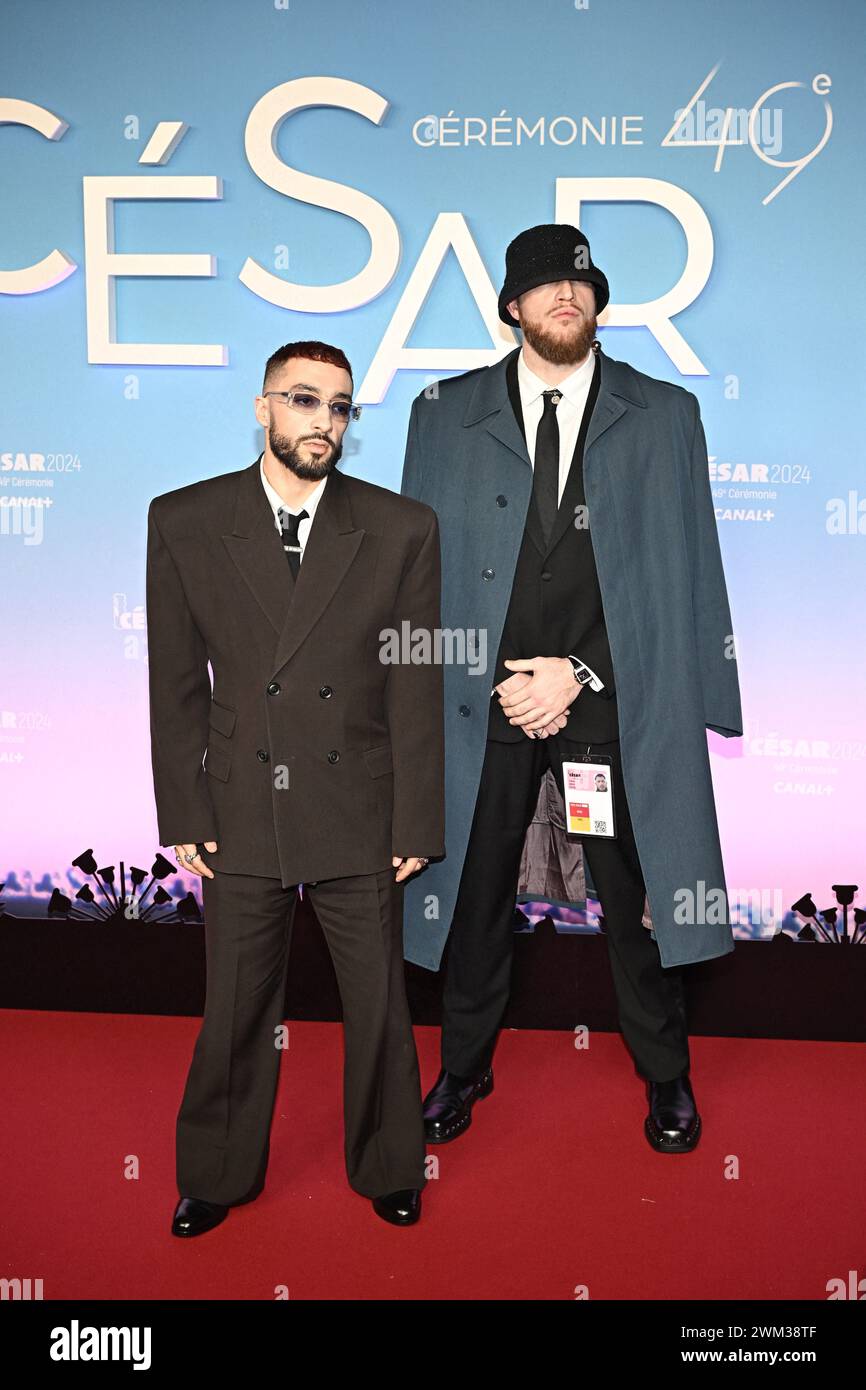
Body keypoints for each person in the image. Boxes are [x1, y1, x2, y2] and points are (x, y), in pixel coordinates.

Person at [399, 224, 743, 1154]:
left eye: (583, 284)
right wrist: (471, 684)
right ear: (512, 306)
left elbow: (684, 571)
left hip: (607, 707)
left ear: (599, 303)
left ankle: (666, 1077)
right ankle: (462, 1068)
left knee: (636, 896)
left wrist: (584, 674)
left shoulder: (663, 413)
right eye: (546, 285)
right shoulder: (442, 412)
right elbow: (419, 574)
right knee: (473, 899)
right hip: (489, 706)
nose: (567, 296)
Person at [146, 340, 444, 1234]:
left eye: (341, 407)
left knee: (378, 1003)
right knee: (235, 1002)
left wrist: (417, 818)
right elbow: (173, 683)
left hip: (360, 798)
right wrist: (184, 806)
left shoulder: (402, 527)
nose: (325, 422)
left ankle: (391, 1164)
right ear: (262, 406)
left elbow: (416, 683)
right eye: (305, 401)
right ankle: (216, 1172)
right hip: (239, 805)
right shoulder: (184, 519)